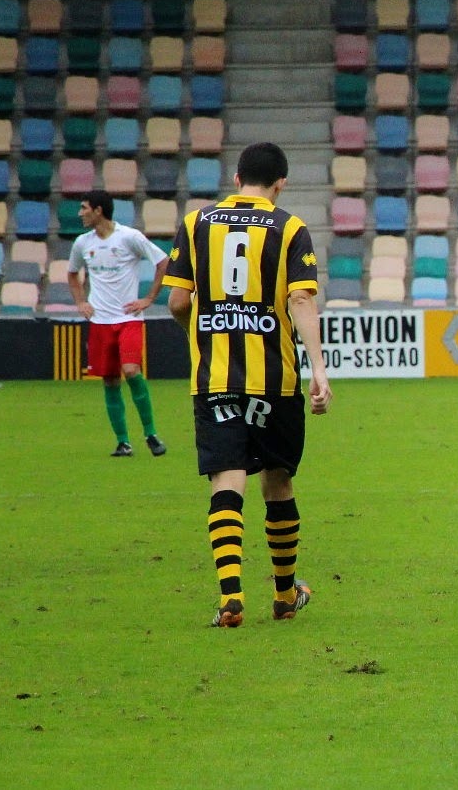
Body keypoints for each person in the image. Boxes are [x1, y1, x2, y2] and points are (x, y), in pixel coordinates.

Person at [164, 142, 332, 629]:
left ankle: (231, 598)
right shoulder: (290, 228)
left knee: (226, 479)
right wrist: (318, 368)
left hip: (215, 378)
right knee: (277, 479)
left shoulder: (196, 225)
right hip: (274, 381)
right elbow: (301, 302)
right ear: (280, 183)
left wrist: (204, 337)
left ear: (237, 178)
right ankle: (283, 594)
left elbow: (178, 302)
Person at [67, 190, 169, 458]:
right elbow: (71, 273)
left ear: (98, 210)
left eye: (84, 207)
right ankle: (123, 442)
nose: (80, 213)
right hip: (100, 321)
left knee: (131, 370)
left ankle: (151, 434)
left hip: (128, 318)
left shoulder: (129, 237)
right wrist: (80, 301)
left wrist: (149, 298)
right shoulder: (82, 243)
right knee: (110, 380)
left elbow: (163, 262)